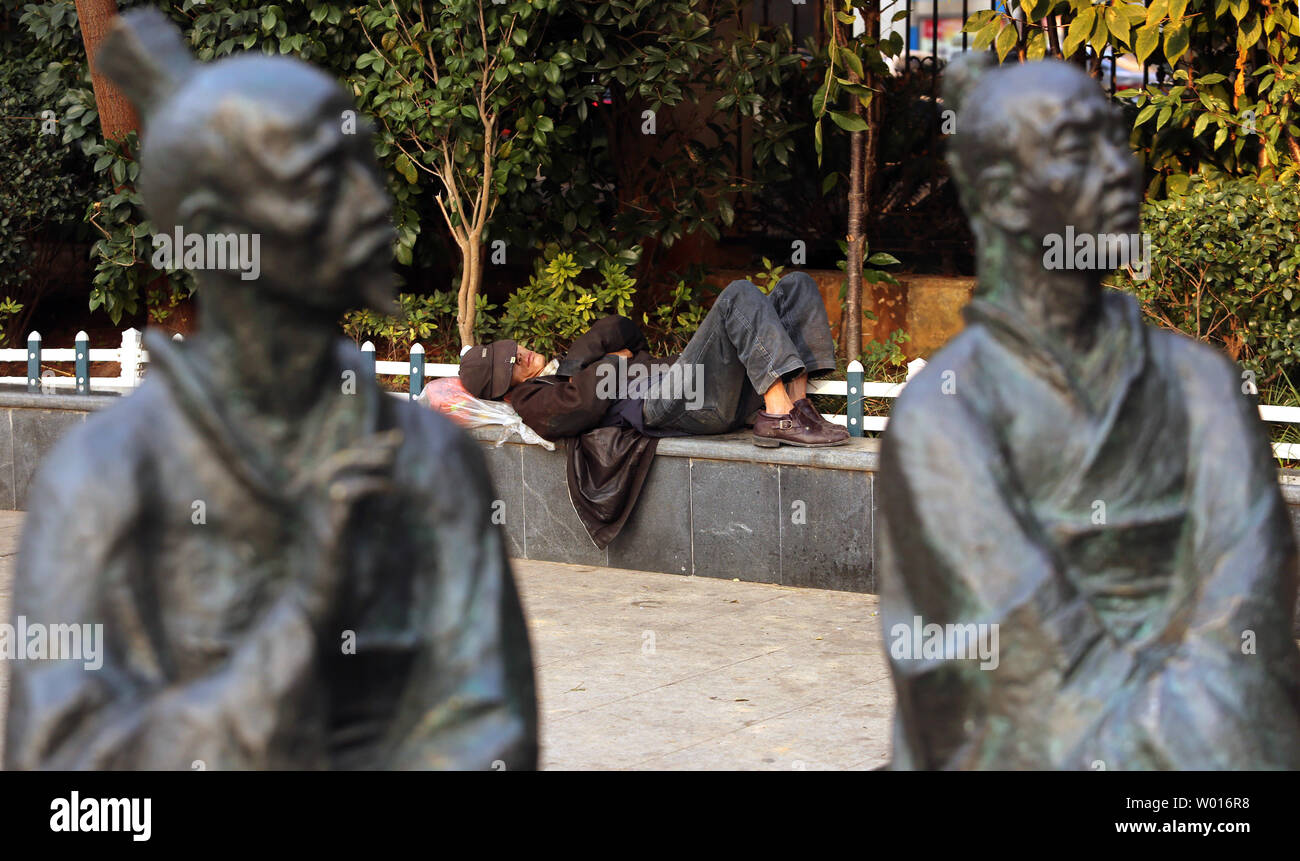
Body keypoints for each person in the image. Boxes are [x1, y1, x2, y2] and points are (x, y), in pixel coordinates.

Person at [5, 9, 537, 770]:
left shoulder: (430, 460)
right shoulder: (101, 480)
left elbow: (494, 728)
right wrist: (299, 618)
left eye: (364, 170)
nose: (367, 208)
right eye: (320, 178)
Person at [878, 55, 1300, 769]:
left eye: (1117, 137)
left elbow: (1248, 613)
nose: (1121, 168)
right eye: (1081, 148)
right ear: (1006, 196)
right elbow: (1032, 670)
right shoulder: (944, 414)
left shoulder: (1202, 384)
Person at [459, 273, 850, 548]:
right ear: (503, 386)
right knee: (737, 295)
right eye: (508, 363)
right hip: (664, 403)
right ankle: (778, 413)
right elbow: (580, 407)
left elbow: (622, 328)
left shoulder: (563, 370)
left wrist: (577, 363)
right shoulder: (531, 400)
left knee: (795, 286)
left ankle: (796, 408)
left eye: (512, 348)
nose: (519, 353)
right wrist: (608, 363)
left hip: (693, 385)